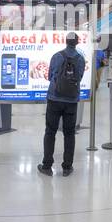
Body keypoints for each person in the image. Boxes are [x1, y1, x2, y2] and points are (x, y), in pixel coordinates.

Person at [39, 32, 86, 177]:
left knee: (50, 131)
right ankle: (67, 167)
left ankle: (47, 166)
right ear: (77, 43)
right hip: (71, 100)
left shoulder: (56, 56)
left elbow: (49, 76)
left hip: (54, 98)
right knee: (69, 133)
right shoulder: (81, 59)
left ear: (66, 41)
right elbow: (79, 77)